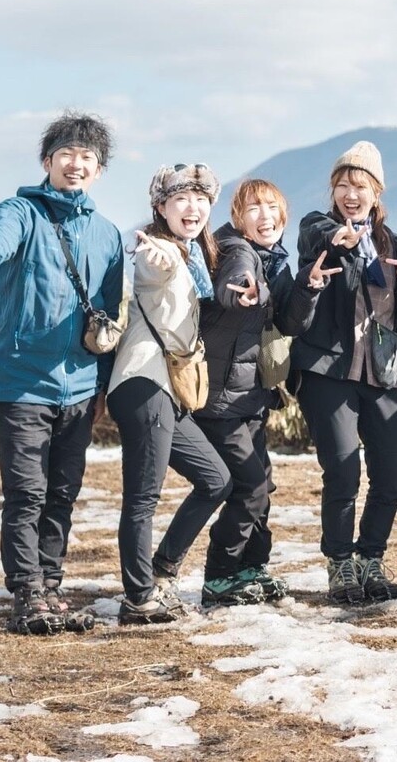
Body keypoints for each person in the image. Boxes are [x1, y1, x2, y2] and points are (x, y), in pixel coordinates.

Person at [0, 111, 124, 635]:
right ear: (47, 161)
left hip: (80, 384)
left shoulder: (108, 234)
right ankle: (26, 591)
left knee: (62, 492)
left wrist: (104, 385)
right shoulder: (19, 212)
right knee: (26, 490)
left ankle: (50, 585)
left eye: (87, 158)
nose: (76, 164)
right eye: (66, 154)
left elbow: (109, 319)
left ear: (99, 170)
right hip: (22, 381)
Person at [282, 141, 397, 604]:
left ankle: (370, 556)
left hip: (383, 373)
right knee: (342, 469)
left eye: (359, 186)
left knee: (391, 471)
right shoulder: (318, 227)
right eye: (342, 185)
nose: (350, 194)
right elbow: (315, 236)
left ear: (377, 191)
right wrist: (339, 237)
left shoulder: (396, 246)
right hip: (329, 370)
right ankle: (339, 561)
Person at [107, 164, 236, 625]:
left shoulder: (195, 254)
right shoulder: (158, 249)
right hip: (144, 381)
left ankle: (162, 569)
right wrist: (160, 258)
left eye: (202, 200)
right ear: (161, 207)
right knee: (143, 496)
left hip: (167, 390)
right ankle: (139, 597)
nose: (194, 208)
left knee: (216, 480)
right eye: (182, 199)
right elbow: (153, 268)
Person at [192, 178, 296, 607]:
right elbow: (233, 285)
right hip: (222, 401)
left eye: (272, 207)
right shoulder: (237, 252)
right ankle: (219, 575)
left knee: (261, 485)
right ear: (237, 217)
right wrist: (246, 294)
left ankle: (251, 567)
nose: (264, 216)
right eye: (253, 208)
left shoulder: (275, 260)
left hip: (249, 397)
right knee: (250, 485)